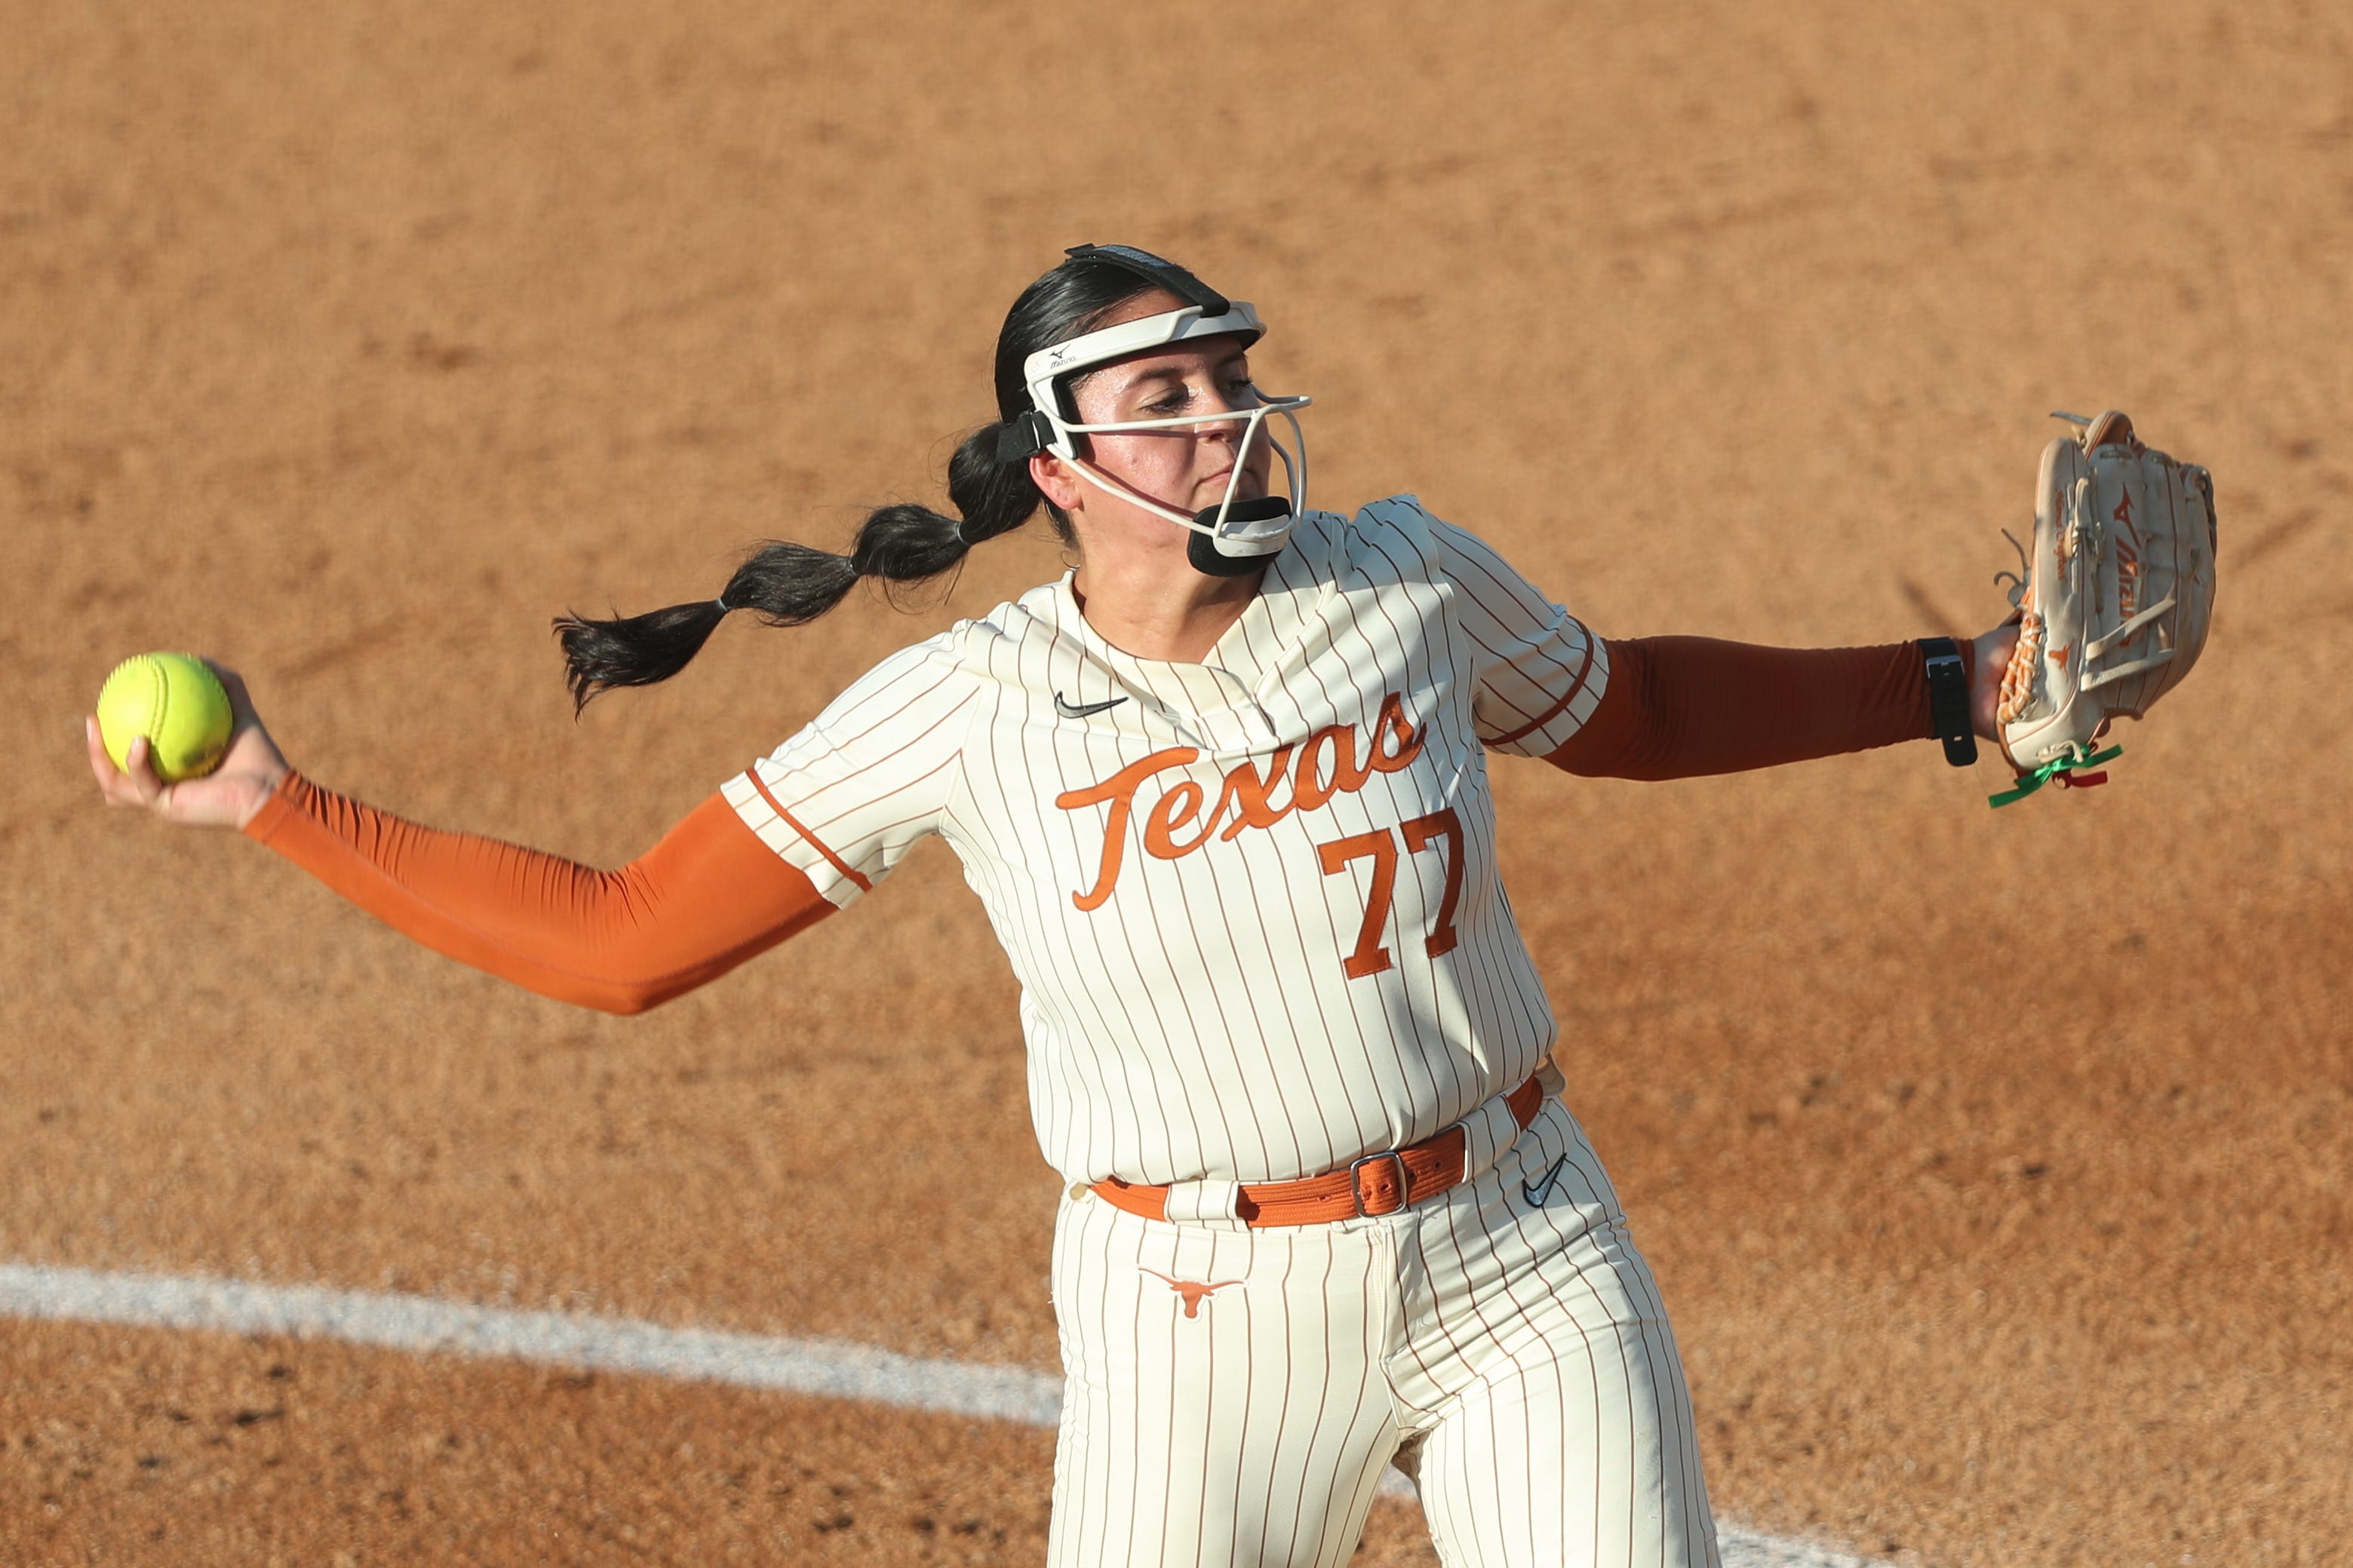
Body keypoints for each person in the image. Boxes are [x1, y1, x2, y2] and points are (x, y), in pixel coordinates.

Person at [91, 243, 2015, 1568]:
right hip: (1200, 1316)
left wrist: (1955, 684)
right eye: (1170, 396)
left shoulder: (1401, 581)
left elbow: (1639, 706)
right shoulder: (968, 708)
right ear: (1060, 465)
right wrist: (280, 801)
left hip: (1521, 1245)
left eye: (1234, 377)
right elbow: (619, 938)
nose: (1229, 419)